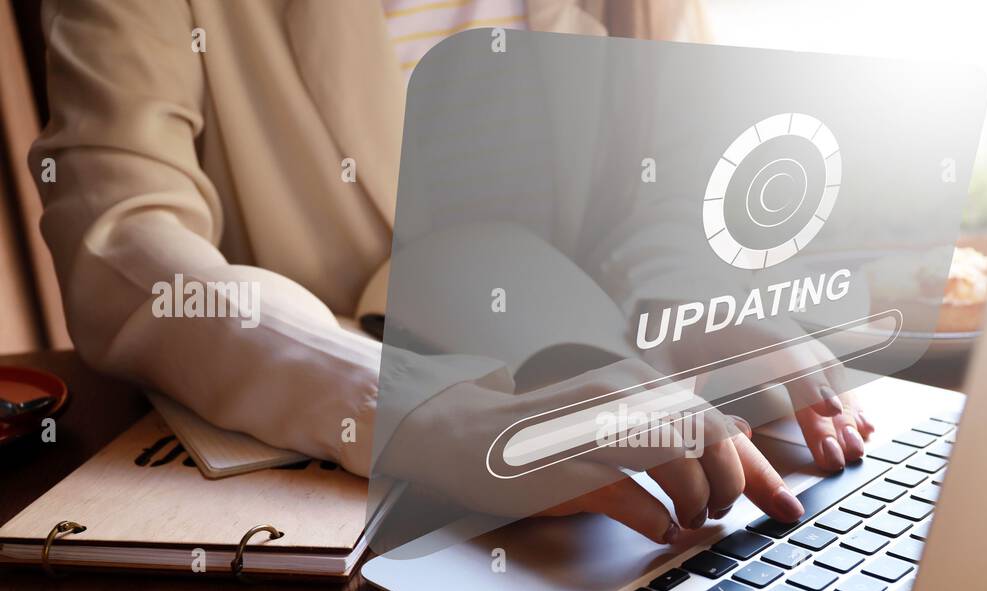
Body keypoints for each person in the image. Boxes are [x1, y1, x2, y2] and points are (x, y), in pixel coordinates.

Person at [30, 0, 873, 544]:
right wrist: (418, 410)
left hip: (638, 444)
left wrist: (685, 300)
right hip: (356, 489)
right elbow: (121, 241)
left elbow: (674, 172)